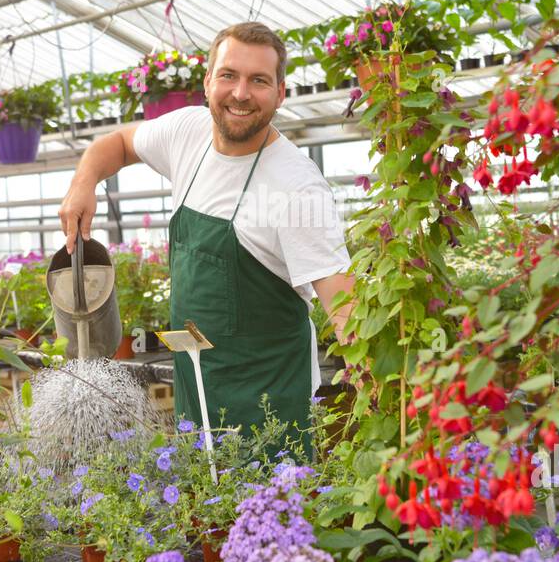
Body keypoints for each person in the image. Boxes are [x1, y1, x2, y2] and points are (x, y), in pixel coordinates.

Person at [59, 22, 355, 445]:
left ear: (280, 93)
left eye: (259, 80)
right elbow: (119, 144)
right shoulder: (187, 133)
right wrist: (82, 183)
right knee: (200, 503)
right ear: (207, 82)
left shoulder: (297, 186)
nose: (240, 93)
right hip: (196, 392)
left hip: (271, 410)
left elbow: (346, 310)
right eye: (229, 75)